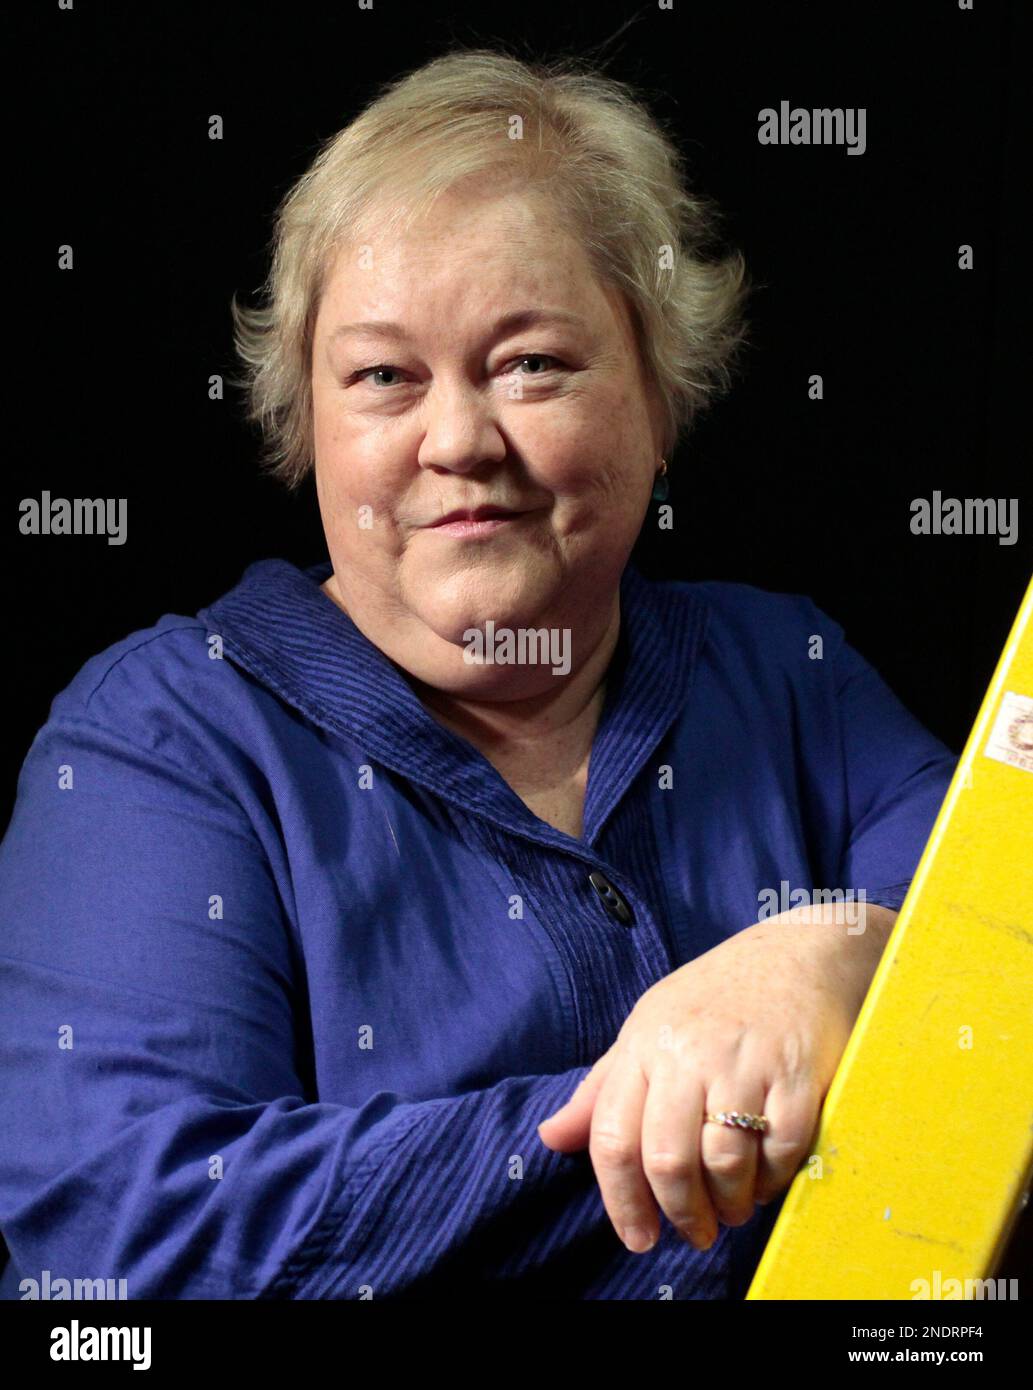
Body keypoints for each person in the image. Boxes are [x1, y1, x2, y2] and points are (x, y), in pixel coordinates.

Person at [0, 47, 956, 1300]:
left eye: (531, 364)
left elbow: (1011, 915)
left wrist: (840, 949)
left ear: (659, 399)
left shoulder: (789, 668)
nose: (458, 442)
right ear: (307, 425)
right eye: (384, 376)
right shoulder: (156, 740)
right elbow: (138, 1237)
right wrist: (672, 1105)